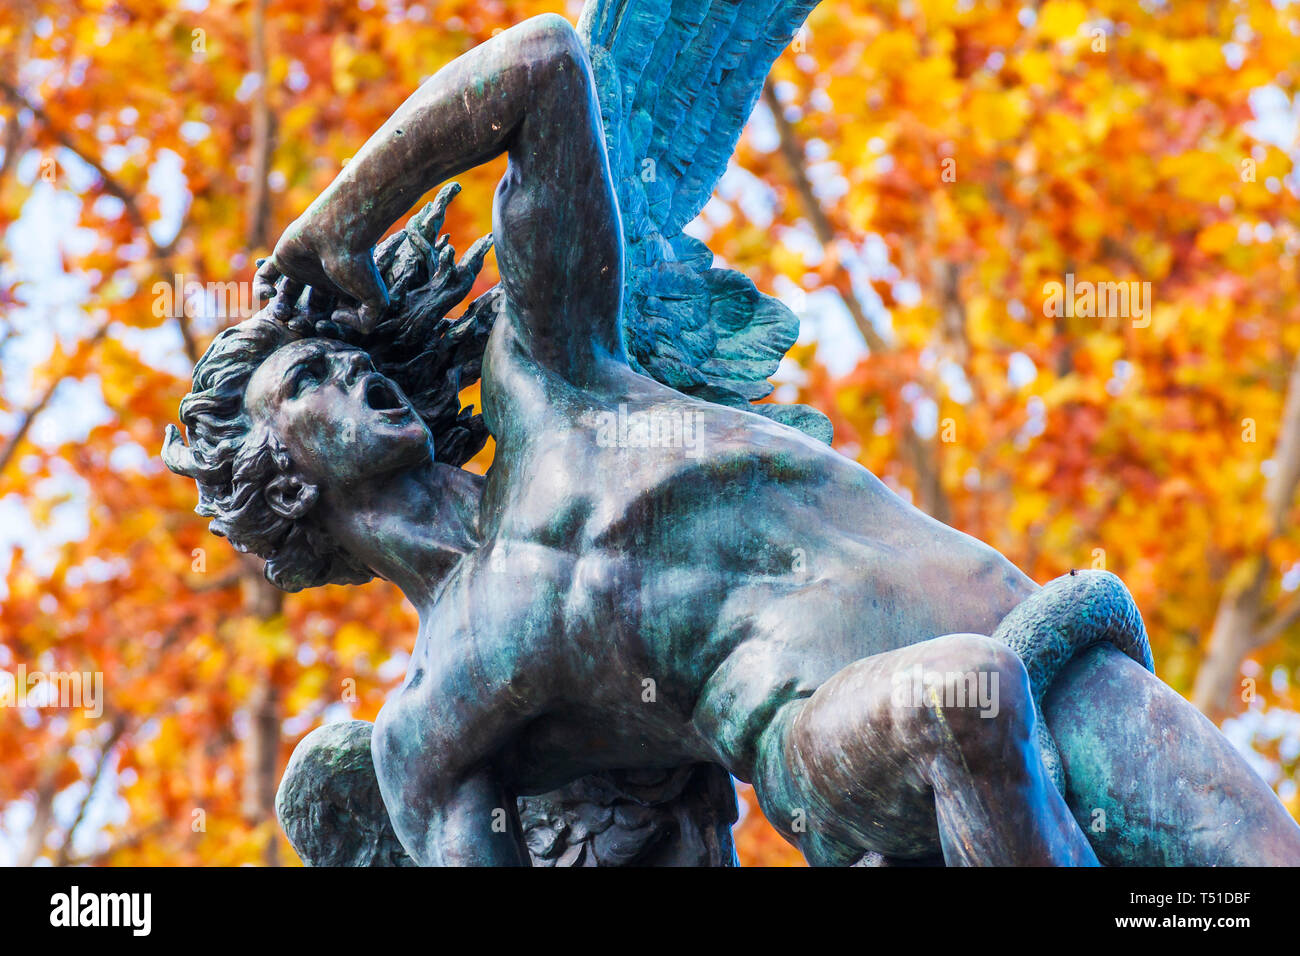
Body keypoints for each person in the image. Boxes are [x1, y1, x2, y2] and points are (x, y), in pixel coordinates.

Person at [167, 14, 1300, 866]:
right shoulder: (436, 716)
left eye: (343, 354)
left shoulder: (554, 383)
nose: (354, 374)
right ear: (282, 481)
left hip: (1053, 655)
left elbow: (547, 66)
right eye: (309, 380)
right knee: (965, 695)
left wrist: (341, 217)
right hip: (841, 738)